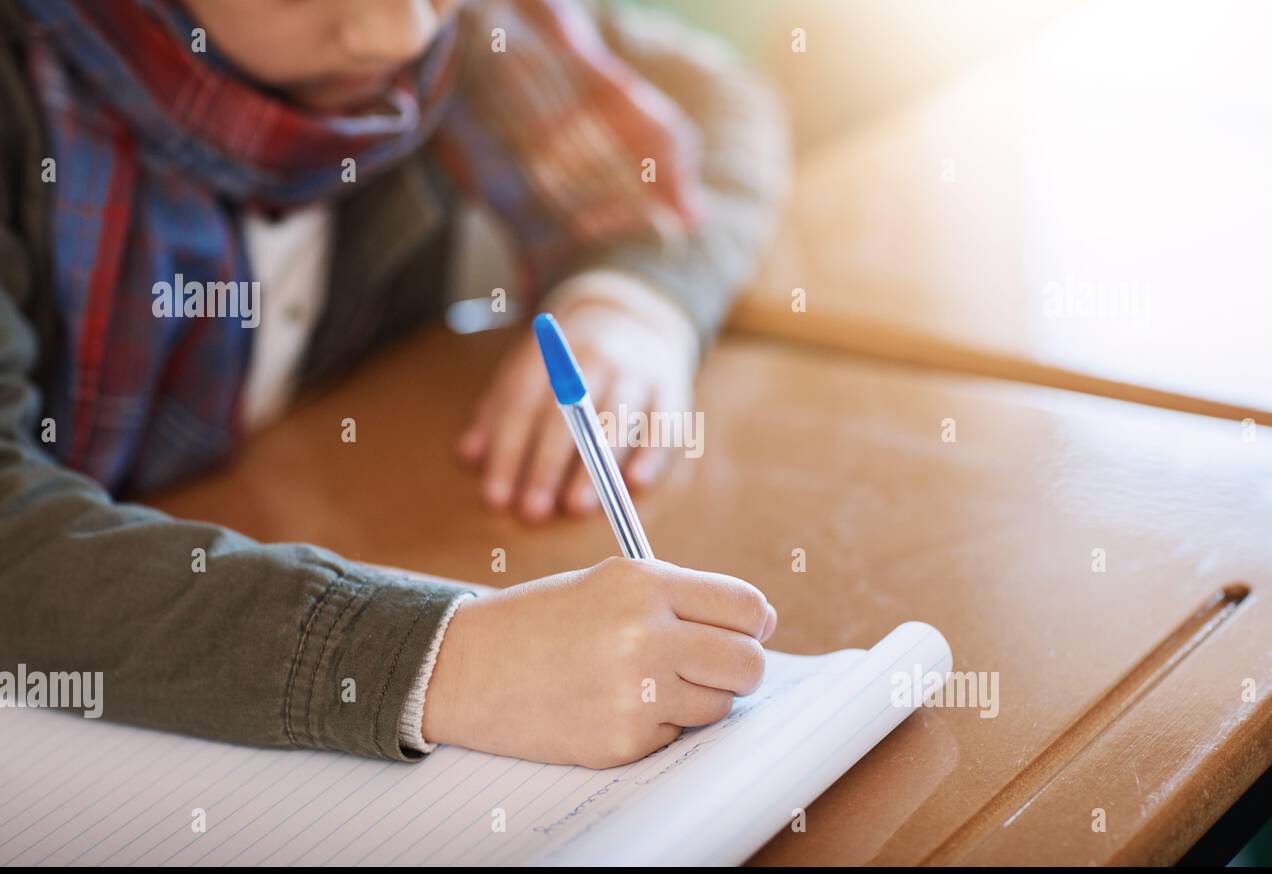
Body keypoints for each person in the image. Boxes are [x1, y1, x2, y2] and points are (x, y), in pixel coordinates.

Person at [0, 0, 788, 768]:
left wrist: (636, 300)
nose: (401, 33)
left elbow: (715, 99)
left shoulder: (474, 27)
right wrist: (439, 662)